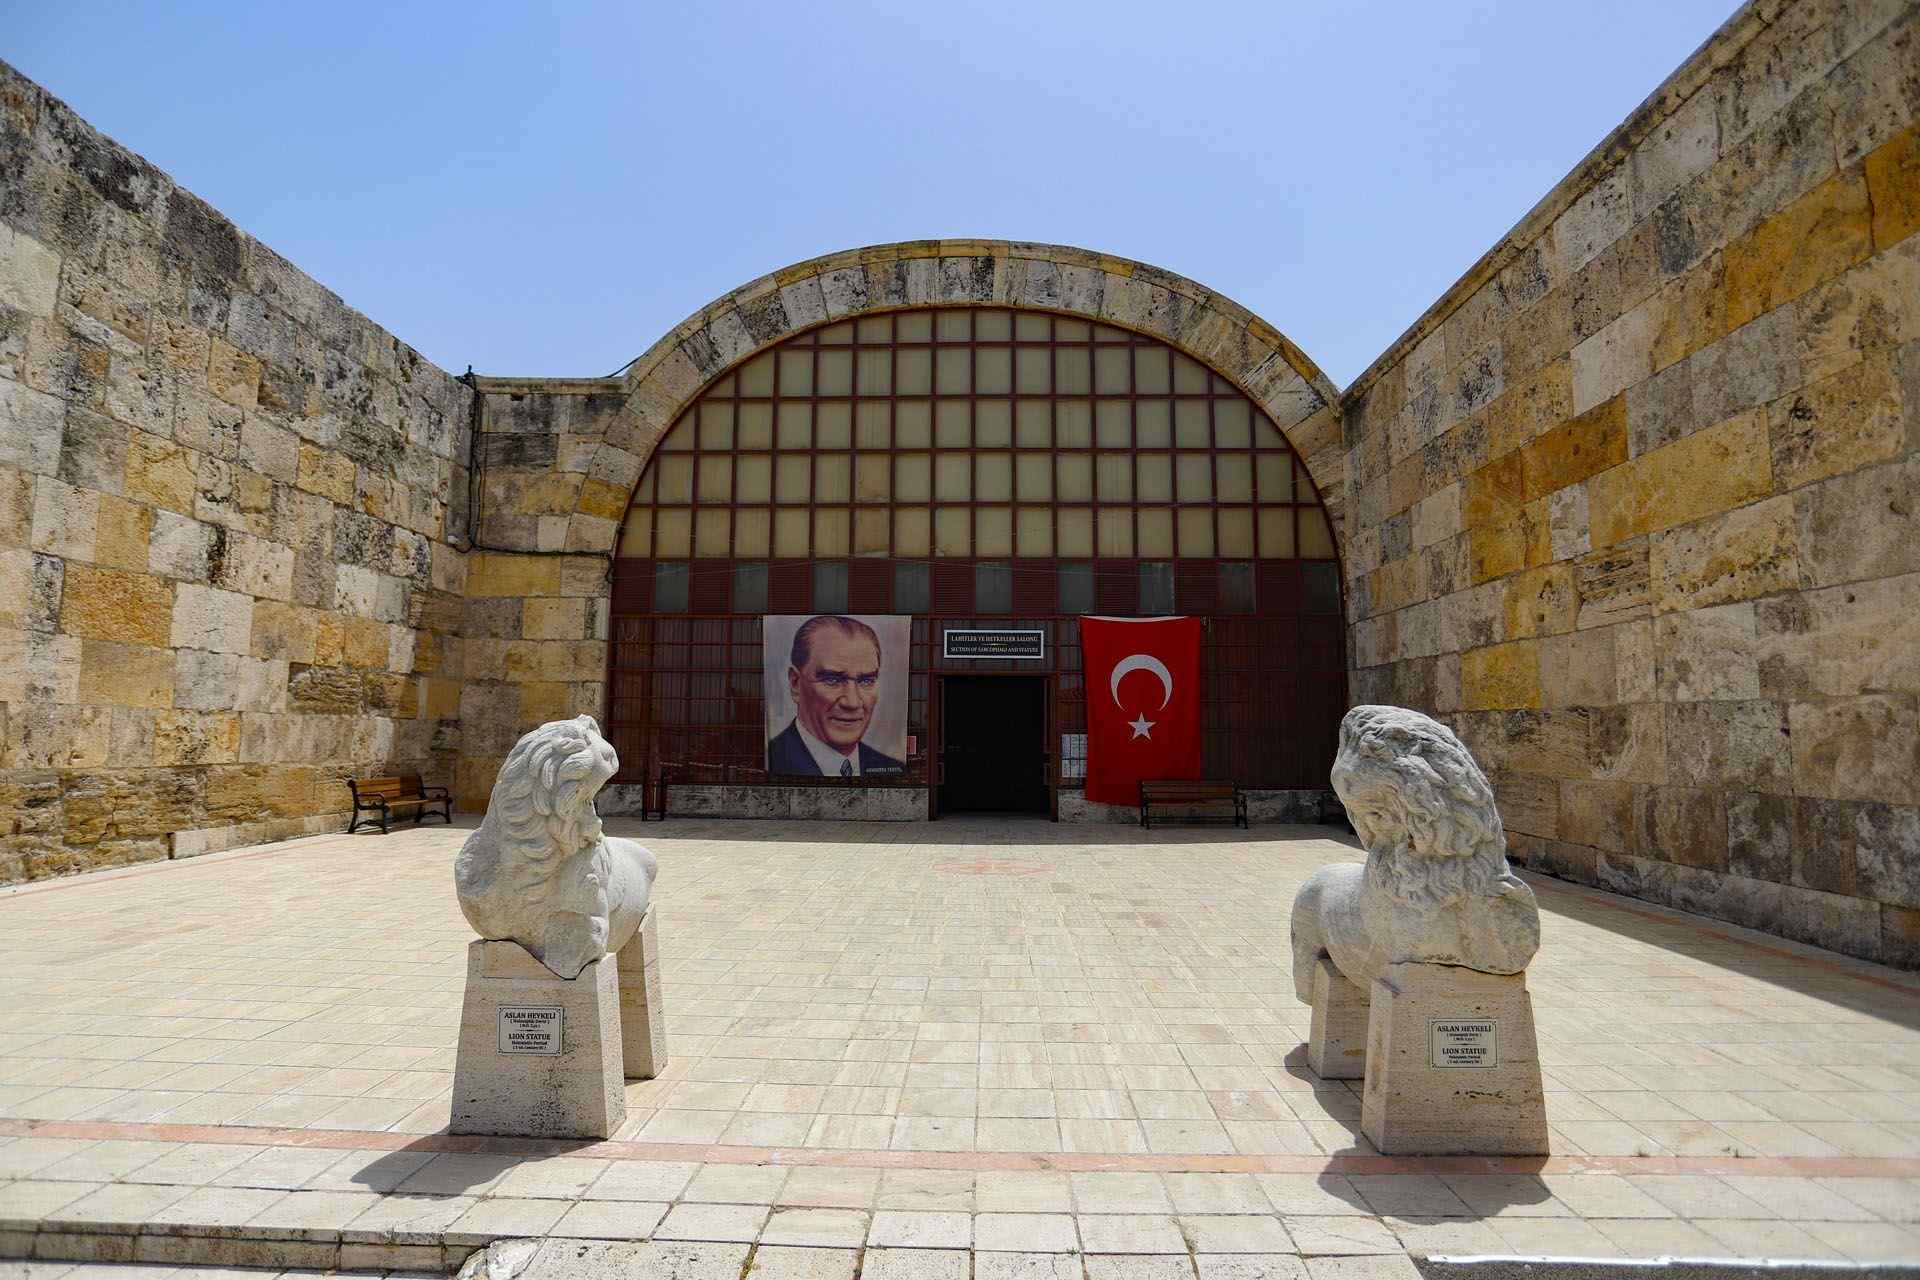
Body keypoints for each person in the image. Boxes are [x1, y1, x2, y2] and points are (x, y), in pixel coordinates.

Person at [767, 615, 904, 777]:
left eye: (866, 681)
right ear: (795, 684)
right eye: (832, 680)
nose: (852, 702)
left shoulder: (891, 768)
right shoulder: (770, 762)